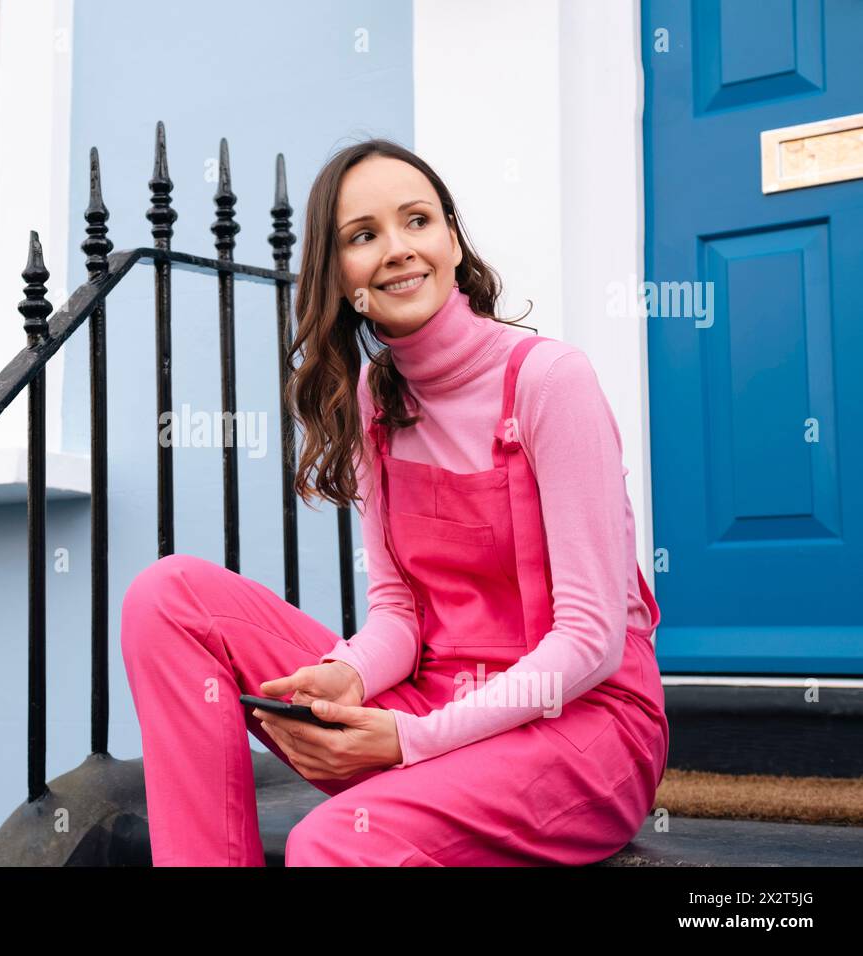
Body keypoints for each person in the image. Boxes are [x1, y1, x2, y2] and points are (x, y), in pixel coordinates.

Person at [119, 137, 668, 867]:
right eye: (364, 235)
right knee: (168, 597)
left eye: (418, 221)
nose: (400, 249)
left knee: (331, 843)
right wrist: (347, 674)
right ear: (338, 274)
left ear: (451, 237)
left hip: (582, 726)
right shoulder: (377, 403)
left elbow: (591, 642)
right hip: (437, 704)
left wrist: (410, 741)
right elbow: (400, 614)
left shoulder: (548, 382)